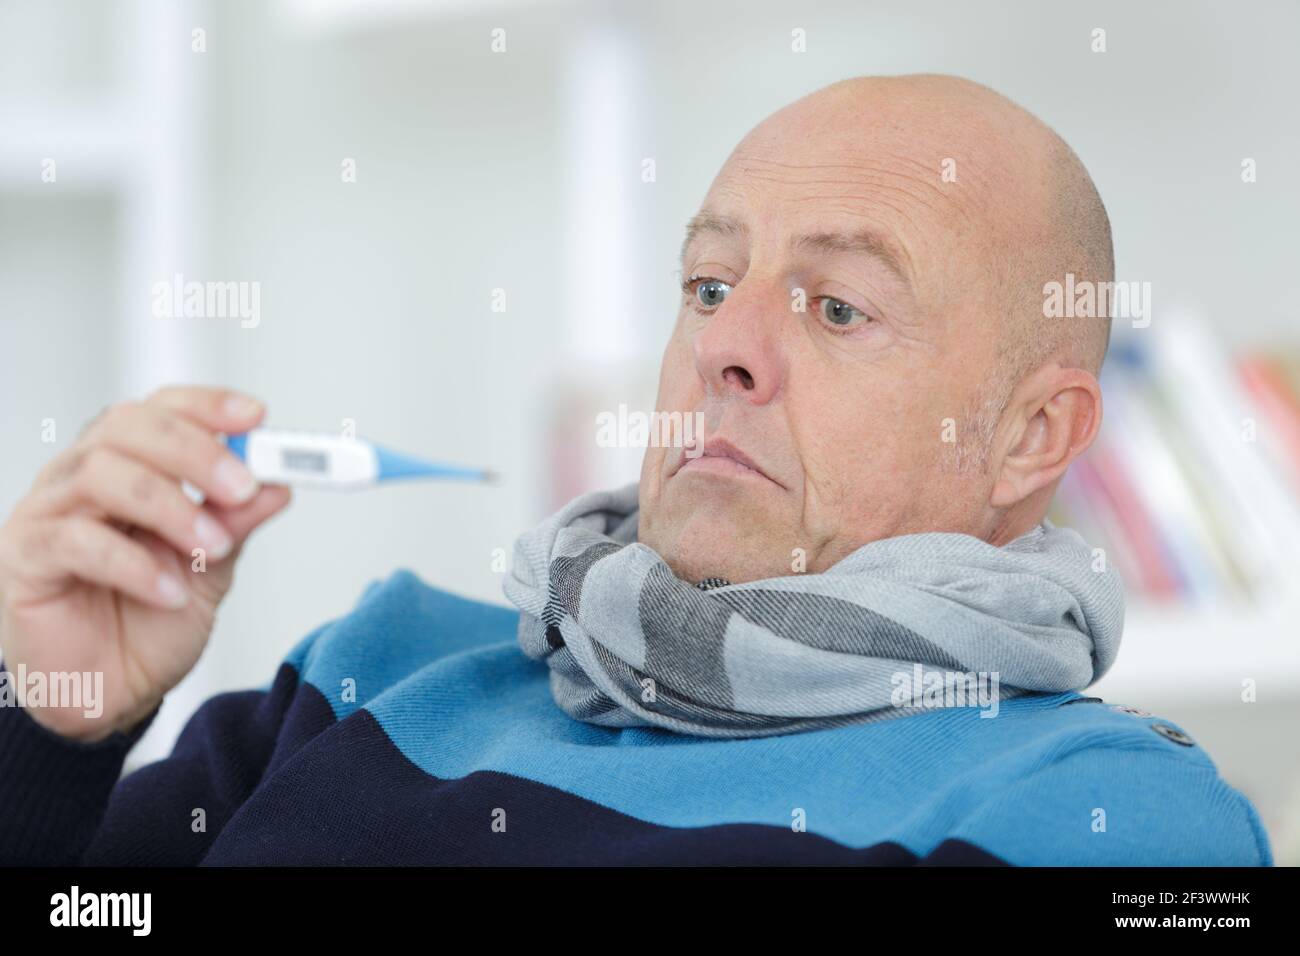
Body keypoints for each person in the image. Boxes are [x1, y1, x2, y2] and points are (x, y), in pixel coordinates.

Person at [0, 74, 1272, 865]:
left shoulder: (1111, 812)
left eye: (837, 307)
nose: (722, 345)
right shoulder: (370, 667)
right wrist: (50, 722)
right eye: (709, 285)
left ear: (1031, 437)